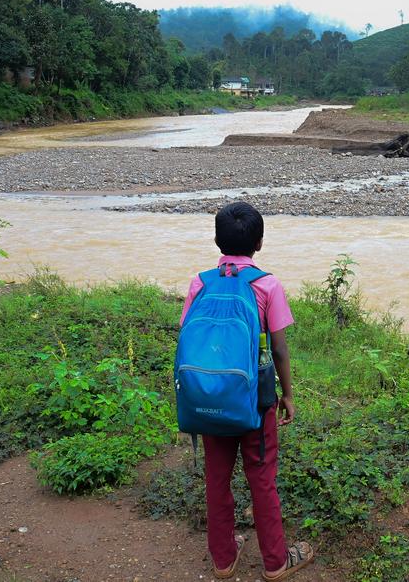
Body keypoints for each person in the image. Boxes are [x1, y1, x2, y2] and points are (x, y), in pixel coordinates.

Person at [180, 201, 315, 580]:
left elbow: (189, 339)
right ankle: (275, 562)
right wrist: (288, 395)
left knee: (217, 478)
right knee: (262, 478)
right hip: (256, 401)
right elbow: (279, 350)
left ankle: (223, 559)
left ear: (217, 241)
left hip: (209, 398)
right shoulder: (267, 284)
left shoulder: (200, 283)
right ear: (259, 243)